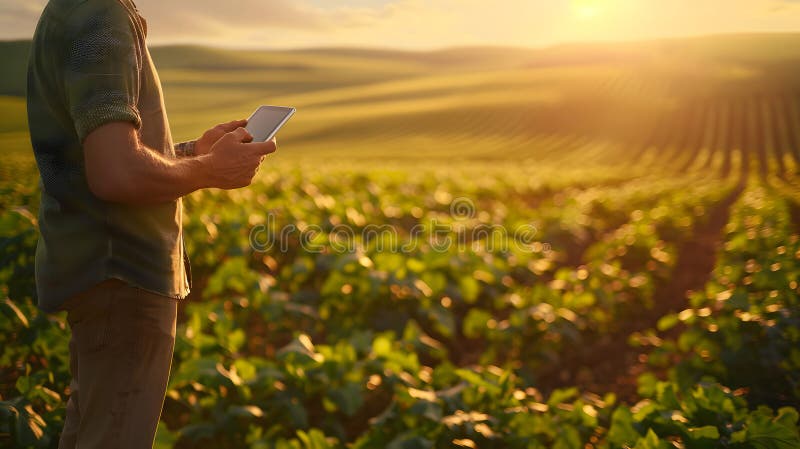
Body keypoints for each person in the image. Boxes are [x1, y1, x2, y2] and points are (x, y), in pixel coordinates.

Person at [26, 0, 276, 447]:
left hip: (103, 274)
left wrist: (193, 153)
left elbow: (98, 161)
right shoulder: (101, 16)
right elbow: (116, 172)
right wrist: (209, 170)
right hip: (124, 272)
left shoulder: (76, 10)